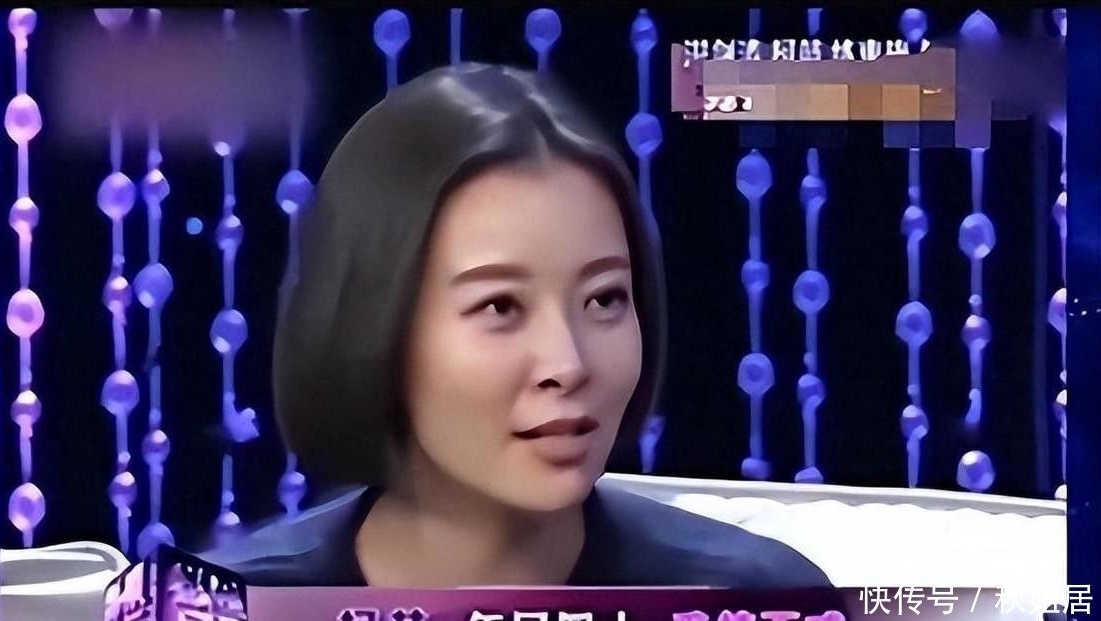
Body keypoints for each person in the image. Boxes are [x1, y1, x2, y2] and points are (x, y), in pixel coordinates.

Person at [204, 62, 830, 589]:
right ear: (374, 327)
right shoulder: (223, 605)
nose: (569, 365)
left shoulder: (756, 598)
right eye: (501, 307)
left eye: (604, 299)